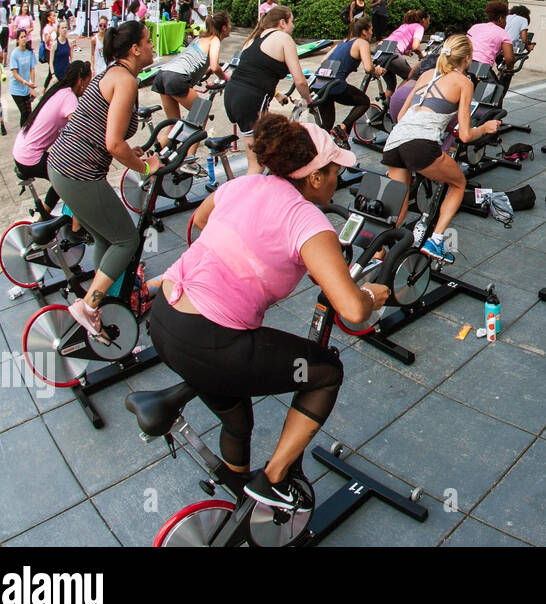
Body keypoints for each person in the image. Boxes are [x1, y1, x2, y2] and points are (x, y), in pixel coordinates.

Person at [150, 113, 391, 511]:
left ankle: (240, 505)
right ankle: (272, 480)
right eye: (334, 172)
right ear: (314, 177)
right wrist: (368, 293)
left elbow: (201, 220)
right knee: (325, 372)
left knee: (237, 420)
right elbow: (352, 309)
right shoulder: (307, 219)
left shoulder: (243, 184)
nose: (338, 181)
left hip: (166, 317)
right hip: (211, 339)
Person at [48, 21, 160, 337]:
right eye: (148, 41)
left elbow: (101, 132)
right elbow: (113, 143)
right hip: (77, 173)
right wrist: (146, 167)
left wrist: (132, 152)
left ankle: (108, 302)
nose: (152, 47)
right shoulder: (124, 81)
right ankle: (89, 305)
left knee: (106, 239)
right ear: (135, 49)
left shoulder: (111, 74)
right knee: (127, 240)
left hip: (63, 167)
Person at [379, 35, 501, 264]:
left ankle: (379, 250)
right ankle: (435, 241)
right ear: (467, 59)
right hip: (421, 144)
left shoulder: (426, 74)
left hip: (395, 141)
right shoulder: (464, 82)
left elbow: (402, 115)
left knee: (399, 203)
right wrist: (484, 128)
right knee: (458, 183)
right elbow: (465, 134)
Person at [223, 5, 311, 175]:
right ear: (283, 22)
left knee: (265, 153)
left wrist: (277, 94)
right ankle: (248, 200)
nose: (293, 26)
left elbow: (257, 71)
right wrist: (308, 99)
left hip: (233, 94)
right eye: (292, 21)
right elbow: (300, 81)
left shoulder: (254, 38)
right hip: (250, 101)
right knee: (257, 165)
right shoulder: (283, 38)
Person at [13, 62, 93, 216]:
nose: (88, 87)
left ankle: (45, 215)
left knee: (62, 174)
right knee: (69, 178)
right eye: (88, 82)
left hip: (21, 149)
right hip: (30, 156)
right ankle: (72, 226)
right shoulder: (69, 97)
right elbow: (81, 130)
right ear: (80, 80)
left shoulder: (59, 90)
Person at [151, 11, 231, 147]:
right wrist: (226, 79)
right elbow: (215, 66)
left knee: (173, 124)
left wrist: (206, 72)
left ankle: (155, 156)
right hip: (177, 78)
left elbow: (195, 61)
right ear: (224, 28)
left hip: (164, 74)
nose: (230, 27)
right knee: (201, 114)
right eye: (229, 24)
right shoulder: (215, 40)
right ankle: (189, 159)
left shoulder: (200, 39)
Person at [316, 16, 385, 146]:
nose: (372, 32)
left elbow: (323, 61)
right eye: (371, 29)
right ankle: (343, 128)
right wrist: (378, 70)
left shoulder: (342, 42)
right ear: (364, 31)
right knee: (364, 101)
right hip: (335, 85)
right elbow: (368, 67)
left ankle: (322, 152)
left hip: (320, 83)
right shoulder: (361, 42)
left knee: (327, 126)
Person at [467, 0, 515, 71]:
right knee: (492, 81)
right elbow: (509, 59)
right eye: (505, 19)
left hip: (464, 62)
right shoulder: (503, 33)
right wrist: (509, 69)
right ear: (501, 19)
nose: (506, 22)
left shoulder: (475, 27)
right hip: (481, 66)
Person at [8, 31, 39, 125]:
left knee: (29, 114)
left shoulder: (30, 52)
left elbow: (32, 69)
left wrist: (32, 87)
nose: (24, 39)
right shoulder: (14, 54)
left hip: (26, 88)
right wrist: (26, 83)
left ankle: (27, 134)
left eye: (25, 36)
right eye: (21, 37)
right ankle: (22, 135)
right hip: (16, 89)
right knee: (24, 113)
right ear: (18, 40)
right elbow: (15, 74)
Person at [49, 20, 72, 89]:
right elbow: (51, 62)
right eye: (62, 28)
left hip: (66, 74)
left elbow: (70, 58)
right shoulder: (55, 44)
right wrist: (53, 75)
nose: (64, 30)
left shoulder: (69, 42)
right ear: (58, 30)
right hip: (57, 74)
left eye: (65, 28)